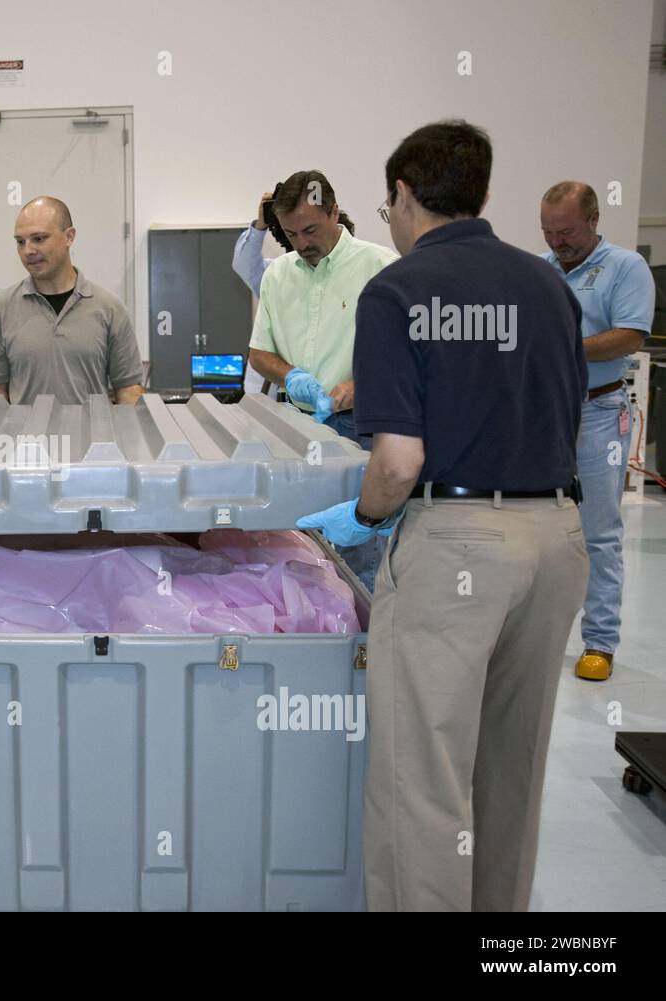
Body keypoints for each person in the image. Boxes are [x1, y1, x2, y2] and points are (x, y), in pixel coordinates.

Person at [298, 120, 589, 911]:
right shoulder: (549, 287)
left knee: (421, 777)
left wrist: (361, 518)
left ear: (402, 194)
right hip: (556, 539)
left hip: (459, 547)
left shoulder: (397, 289)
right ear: (480, 192)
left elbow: (398, 462)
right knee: (512, 769)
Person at [247, 170, 398, 589]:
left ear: (334, 212)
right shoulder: (279, 274)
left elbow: (414, 362)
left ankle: (366, 630)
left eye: (310, 230)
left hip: (364, 429)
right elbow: (259, 354)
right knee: (301, 550)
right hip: (297, 427)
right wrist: (291, 376)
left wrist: (360, 388)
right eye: (290, 233)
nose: (301, 243)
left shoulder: (381, 267)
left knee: (361, 558)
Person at [540, 181, 656, 682]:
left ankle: (599, 642)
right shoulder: (541, 270)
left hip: (599, 411)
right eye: (548, 232)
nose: (556, 242)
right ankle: (538, 636)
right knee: (538, 526)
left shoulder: (626, 267)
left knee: (599, 531)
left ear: (593, 220)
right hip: (545, 412)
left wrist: (561, 346)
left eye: (566, 231)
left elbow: (629, 336)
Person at [0, 196, 144, 406]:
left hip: (91, 428)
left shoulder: (110, 308)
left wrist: (133, 425)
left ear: (69, 236)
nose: (28, 250)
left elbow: (129, 390)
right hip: (27, 430)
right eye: (20, 241)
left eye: (39, 238)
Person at [232, 189, 356, 296]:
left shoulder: (357, 271)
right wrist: (260, 225)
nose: (304, 243)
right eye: (293, 234)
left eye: (311, 231)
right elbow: (247, 267)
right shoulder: (280, 276)